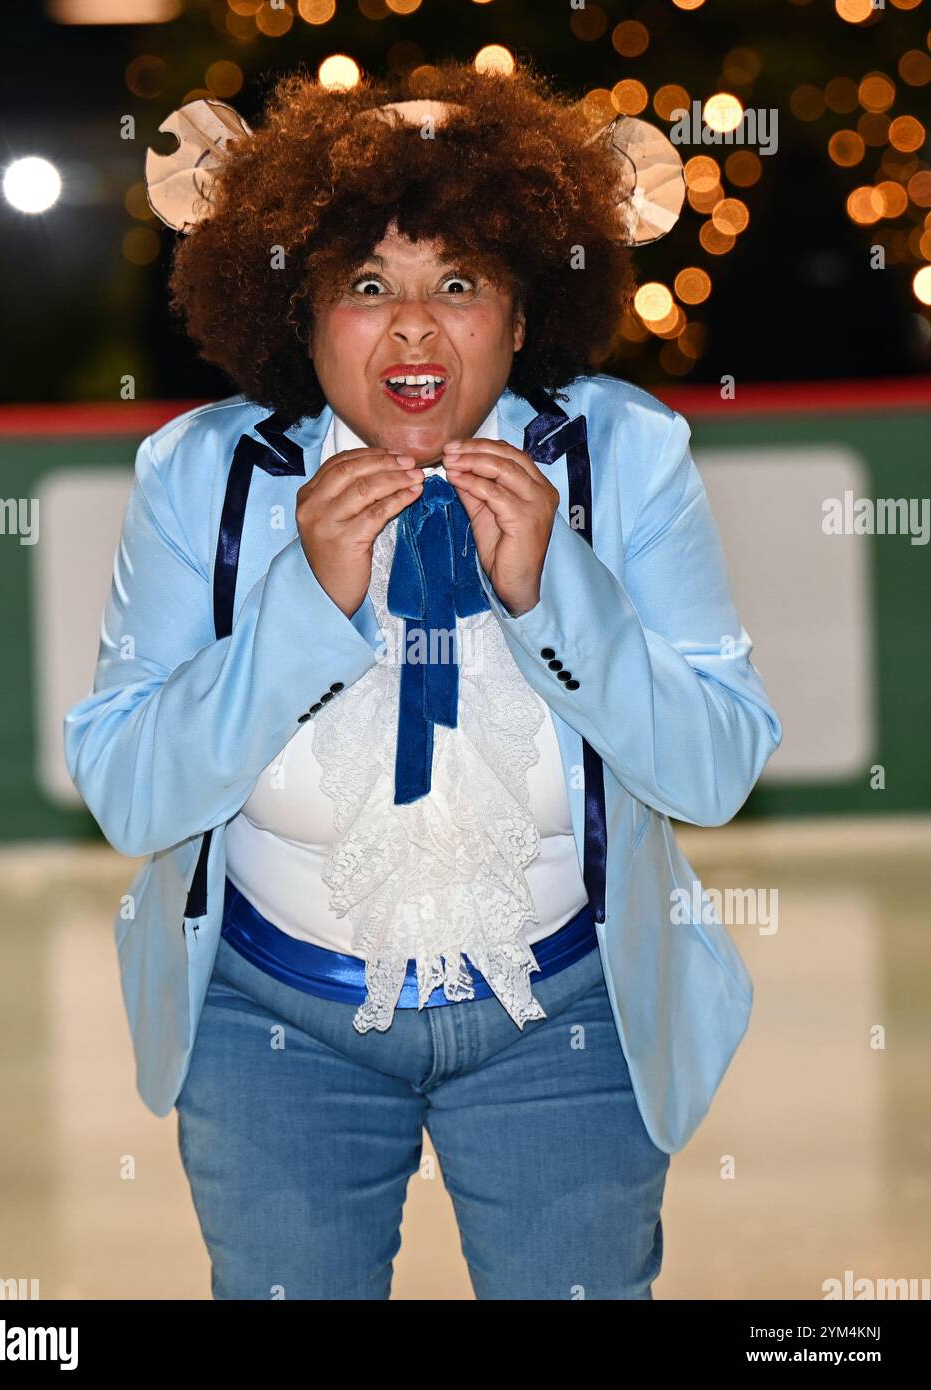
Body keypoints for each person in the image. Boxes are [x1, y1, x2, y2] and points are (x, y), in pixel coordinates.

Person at [64, 60, 782, 1300]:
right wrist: (304, 605)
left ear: (521, 313)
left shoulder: (625, 453)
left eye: (457, 282)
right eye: (363, 286)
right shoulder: (201, 474)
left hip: (571, 1018)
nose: (410, 327)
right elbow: (128, 792)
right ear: (295, 314)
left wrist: (557, 593)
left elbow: (715, 768)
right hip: (270, 1023)